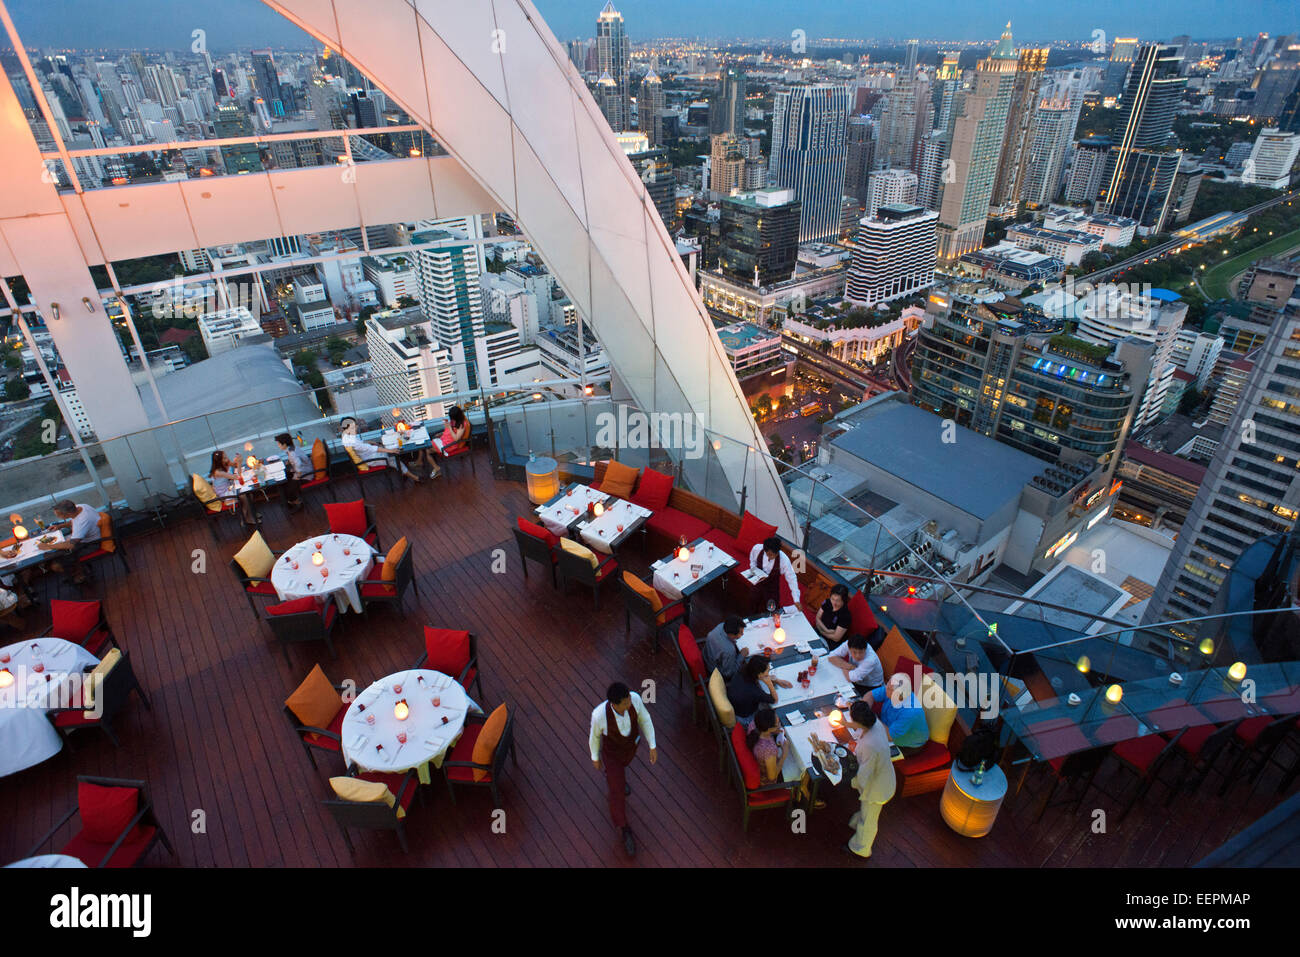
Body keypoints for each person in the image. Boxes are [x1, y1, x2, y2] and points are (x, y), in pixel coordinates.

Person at [589, 681, 657, 858]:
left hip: (630, 749)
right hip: (612, 756)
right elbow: (594, 737)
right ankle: (624, 828)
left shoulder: (634, 699)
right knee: (616, 792)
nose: (629, 704)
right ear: (614, 704)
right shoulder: (599, 716)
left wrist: (652, 745)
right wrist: (595, 757)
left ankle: (616, 778)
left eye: (628, 700)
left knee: (618, 779)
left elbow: (645, 718)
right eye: (625, 703)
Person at [843, 701, 896, 860]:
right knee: (867, 812)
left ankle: (860, 849)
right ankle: (855, 823)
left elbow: (863, 775)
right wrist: (845, 722)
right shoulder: (876, 724)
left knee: (869, 820)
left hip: (877, 787)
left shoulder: (870, 746)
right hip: (883, 775)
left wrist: (852, 783)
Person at [36, 500, 103, 585]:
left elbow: (71, 544)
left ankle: (79, 575)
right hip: (84, 538)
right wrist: (60, 526)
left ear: (67, 514)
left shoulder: (83, 521)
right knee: (58, 550)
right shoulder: (81, 506)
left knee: (56, 564)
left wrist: (48, 546)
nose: (58, 517)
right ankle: (78, 570)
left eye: (59, 515)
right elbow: (73, 521)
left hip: (92, 544)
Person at [339, 417, 419, 483]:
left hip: (367, 455)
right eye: (355, 426)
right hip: (370, 459)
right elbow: (373, 449)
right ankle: (415, 478)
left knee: (390, 449)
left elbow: (361, 444)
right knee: (393, 458)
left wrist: (371, 442)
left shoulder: (346, 436)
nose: (357, 427)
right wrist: (391, 451)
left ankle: (404, 473)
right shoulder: (353, 441)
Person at [870, 672, 930, 753]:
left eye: (888, 689)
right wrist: (863, 706)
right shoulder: (892, 687)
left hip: (908, 744)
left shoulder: (910, 712)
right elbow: (870, 695)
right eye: (887, 685)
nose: (885, 688)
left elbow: (890, 736)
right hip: (889, 728)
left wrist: (872, 718)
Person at [726, 653, 791, 725]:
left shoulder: (744, 669)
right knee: (775, 717)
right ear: (759, 674)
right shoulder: (754, 691)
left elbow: (761, 676)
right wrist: (770, 684)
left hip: (735, 704)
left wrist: (777, 680)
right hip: (746, 718)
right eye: (767, 671)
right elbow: (774, 700)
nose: (768, 674)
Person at [748, 536, 801, 614]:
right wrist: (754, 570)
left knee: (772, 607)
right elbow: (752, 560)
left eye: (773, 555)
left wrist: (796, 599)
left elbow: (792, 578)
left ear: (778, 552)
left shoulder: (784, 560)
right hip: (758, 581)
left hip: (772, 586)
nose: (770, 557)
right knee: (752, 601)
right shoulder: (757, 549)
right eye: (768, 554)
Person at [209, 451, 259, 524]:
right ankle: (246, 518)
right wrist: (239, 463)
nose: (227, 458)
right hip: (225, 493)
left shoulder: (225, 462)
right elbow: (237, 476)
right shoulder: (218, 472)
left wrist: (237, 461)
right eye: (225, 458)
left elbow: (234, 465)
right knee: (245, 496)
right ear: (219, 461)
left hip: (230, 486)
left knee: (249, 494)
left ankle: (250, 513)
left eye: (226, 456)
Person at [703, 615, 745, 682]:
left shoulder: (721, 626)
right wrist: (742, 656)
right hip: (715, 671)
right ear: (731, 635)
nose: (743, 634)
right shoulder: (729, 650)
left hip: (707, 656)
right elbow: (728, 673)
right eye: (741, 633)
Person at [275, 433, 307, 512]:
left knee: (289, 487)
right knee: (286, 478)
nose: (278, 445)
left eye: (279, 444)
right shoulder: (292, 449)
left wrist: (296, 476)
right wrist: (289, 462)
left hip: (305, 474)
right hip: (304, 470)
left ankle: (296, 502)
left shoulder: (292, 453)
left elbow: (299, 466)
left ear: (284, 444)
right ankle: (288, 500)